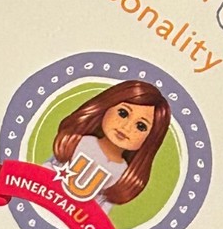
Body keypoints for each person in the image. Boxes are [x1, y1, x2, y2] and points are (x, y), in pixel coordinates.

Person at [48, 80, 171, 211]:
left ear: (150, 138)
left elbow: (101, 212)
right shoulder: (79, 142)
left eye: (141, 126)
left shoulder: (123, 173)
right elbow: (45, 172)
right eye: (123, 113)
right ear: (106, 107)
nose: (126, 127)